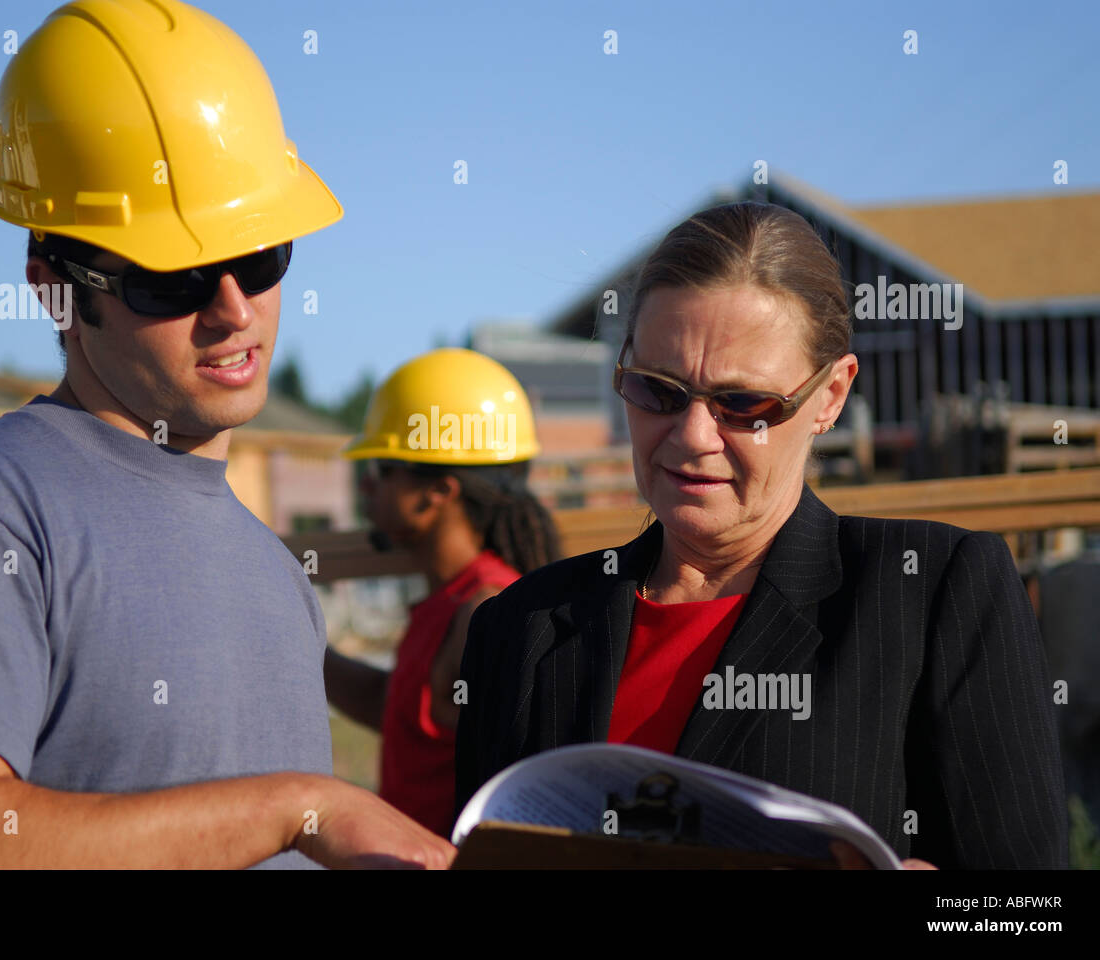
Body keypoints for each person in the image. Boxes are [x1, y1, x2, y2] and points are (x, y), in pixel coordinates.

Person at [0, 0, 453, 870]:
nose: (234, 309)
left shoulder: (275, 573)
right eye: (173, 276)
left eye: (259, 254)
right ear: (55, 289)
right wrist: (295, 810)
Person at [454, 201, 1068, 869]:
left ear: (831, 396)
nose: (691, 436)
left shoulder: (933, 594)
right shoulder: (521, 630)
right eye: (658, 391)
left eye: (742, 404)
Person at [325, 348, 561, 837]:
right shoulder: (455, 601)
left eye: (383, 470)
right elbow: (398, 710)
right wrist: (294, 643)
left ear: (439, 491)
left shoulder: (486, 612)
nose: (367, 489)